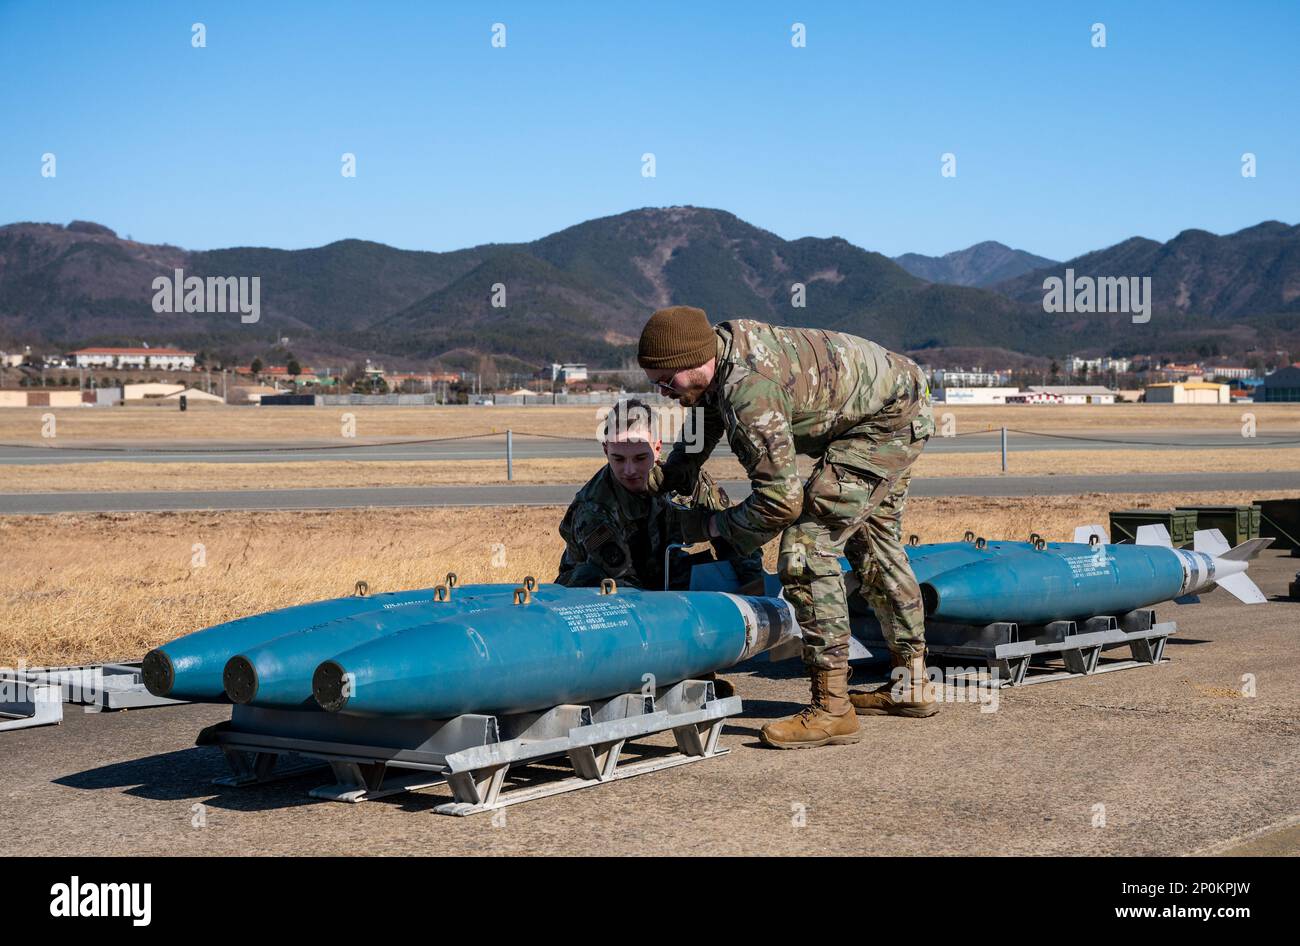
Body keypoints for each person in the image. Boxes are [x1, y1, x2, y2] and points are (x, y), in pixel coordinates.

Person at [637, 306, 938, 750]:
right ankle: (910, 684)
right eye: (653, 383)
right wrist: (672, 476)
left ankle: (833, 710)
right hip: (892, 401)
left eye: (667, 381)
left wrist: (712, 526)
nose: (662, 393)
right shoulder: (720, 355)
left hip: (886, 422)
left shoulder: (748, 392)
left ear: (695, 362)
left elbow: (780, 502)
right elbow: (705, 418)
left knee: (806, 546)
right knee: (873, 545)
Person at [554, 397, 764, 594]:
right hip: (602, 592)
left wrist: (753, 586)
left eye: (640, 458)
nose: (629, 470)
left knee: (719, 570)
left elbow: (735, 531)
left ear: (657, 447)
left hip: (662, 572)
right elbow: (622, 583)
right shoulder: (594, 509)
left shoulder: (683, 479)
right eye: (618, 459)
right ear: (605, 450)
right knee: (592, 577)